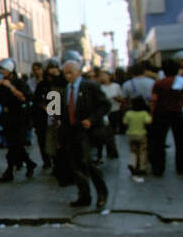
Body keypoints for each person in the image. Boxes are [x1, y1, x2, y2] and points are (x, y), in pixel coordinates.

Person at [58, 60, 110, 209]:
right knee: (76, 165)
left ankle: (101, 193)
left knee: (90, 163)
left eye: (71, 73)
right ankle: (84, 195)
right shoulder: (63, 90)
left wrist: (91, 119)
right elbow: (59, 114)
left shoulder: (90, 86)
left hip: (88, 131)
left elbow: (105, 105)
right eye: (65, 73)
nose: (68, 76)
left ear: (79, 72)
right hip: (71, 131)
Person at [0, 59, 36, 182]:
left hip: (18, 117)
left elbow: (24, 97)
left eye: (4, 69)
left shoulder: (19, 82)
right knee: (15, 145)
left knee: (14, 146)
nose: (2, 72)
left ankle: (9, 171)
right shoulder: (2, 83)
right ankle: (29, 163)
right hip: (7, 118)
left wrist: (10, 87)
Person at [148, 58, 183, 176]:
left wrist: (152, 114)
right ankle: (181, 165)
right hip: (177, 112)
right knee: (180, 140)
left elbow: (154, 100)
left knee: (159, 141)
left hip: (160, 112)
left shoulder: (158, 83)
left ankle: (158, 168)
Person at [35, 59, 68, 181]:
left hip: (61, 116)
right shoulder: (43, 84)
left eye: (55, 68)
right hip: (48, 117)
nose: (53, 70)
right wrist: (46, 107)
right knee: (52, 143)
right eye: (51, 68)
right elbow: (38, 100)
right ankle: (56, 165)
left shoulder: (63, 82)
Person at [123, 96, 152, 178]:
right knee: (143, 150)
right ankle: (142, 167)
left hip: (131, 134)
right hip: (142, 134)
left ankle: (132, 163)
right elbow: (148, 121)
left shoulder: (128, 113)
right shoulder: (144, 113)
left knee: (133, 150)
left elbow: (125, 122)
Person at [97, 69, 122, 160]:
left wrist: (117, 98)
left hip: (114, 111)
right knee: (106, 131)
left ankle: (111, 150)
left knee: (112, 131)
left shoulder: (116, 86)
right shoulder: (99, 87)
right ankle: (109, 150)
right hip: (103, 113)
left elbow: (121, 99)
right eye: (101, 75)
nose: (102, 77)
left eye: (104, 75)